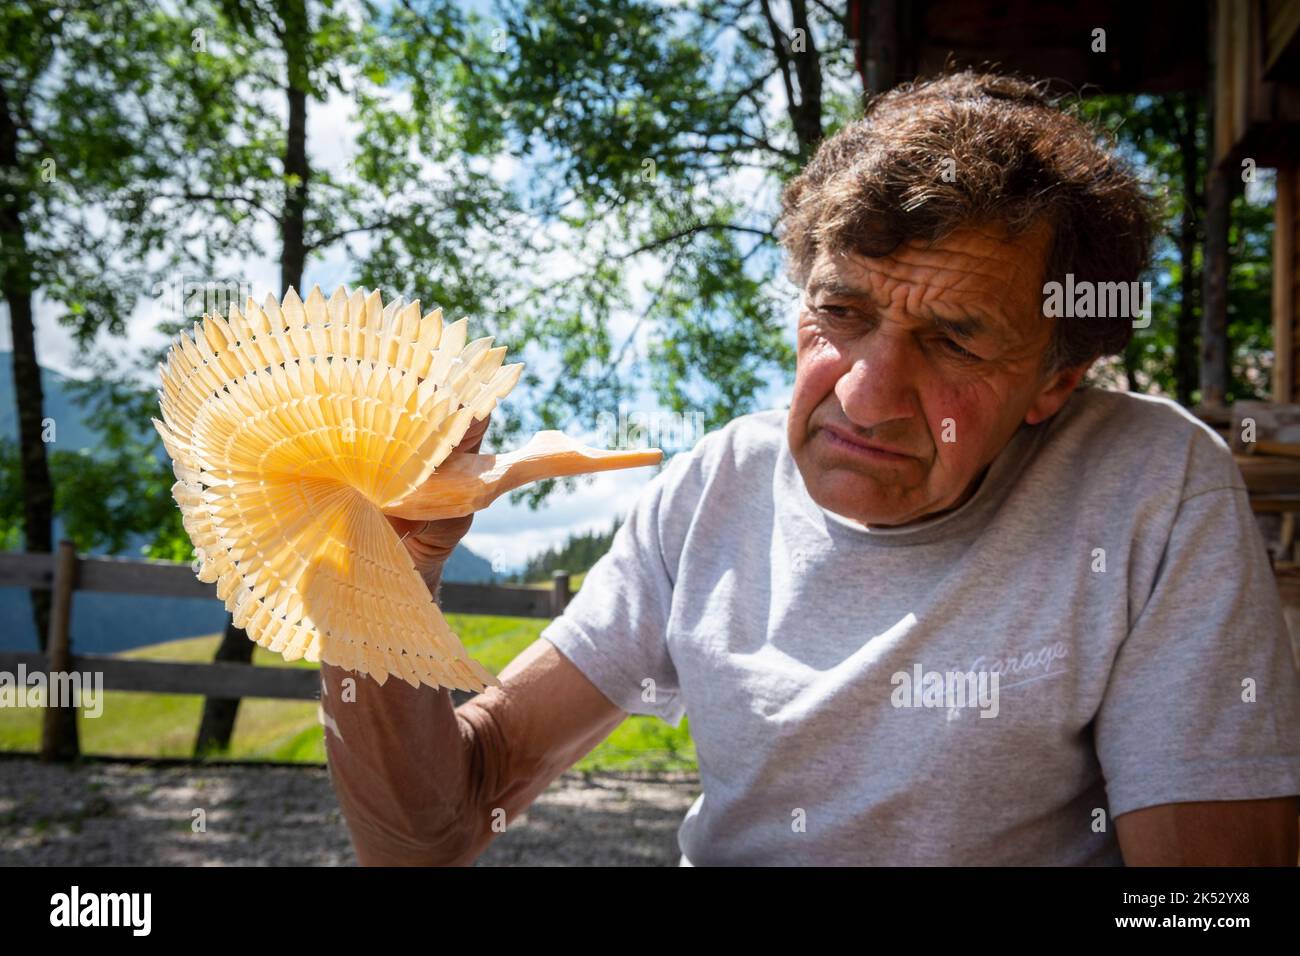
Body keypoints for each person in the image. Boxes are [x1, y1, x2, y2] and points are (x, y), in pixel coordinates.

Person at [320, 70, 1300, 865]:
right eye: (841, 311)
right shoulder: (716, 489)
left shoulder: (1152, 486)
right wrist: (382, 589)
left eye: (955, 337)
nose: (866, 396)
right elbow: (435, 827)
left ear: (1055, 378)